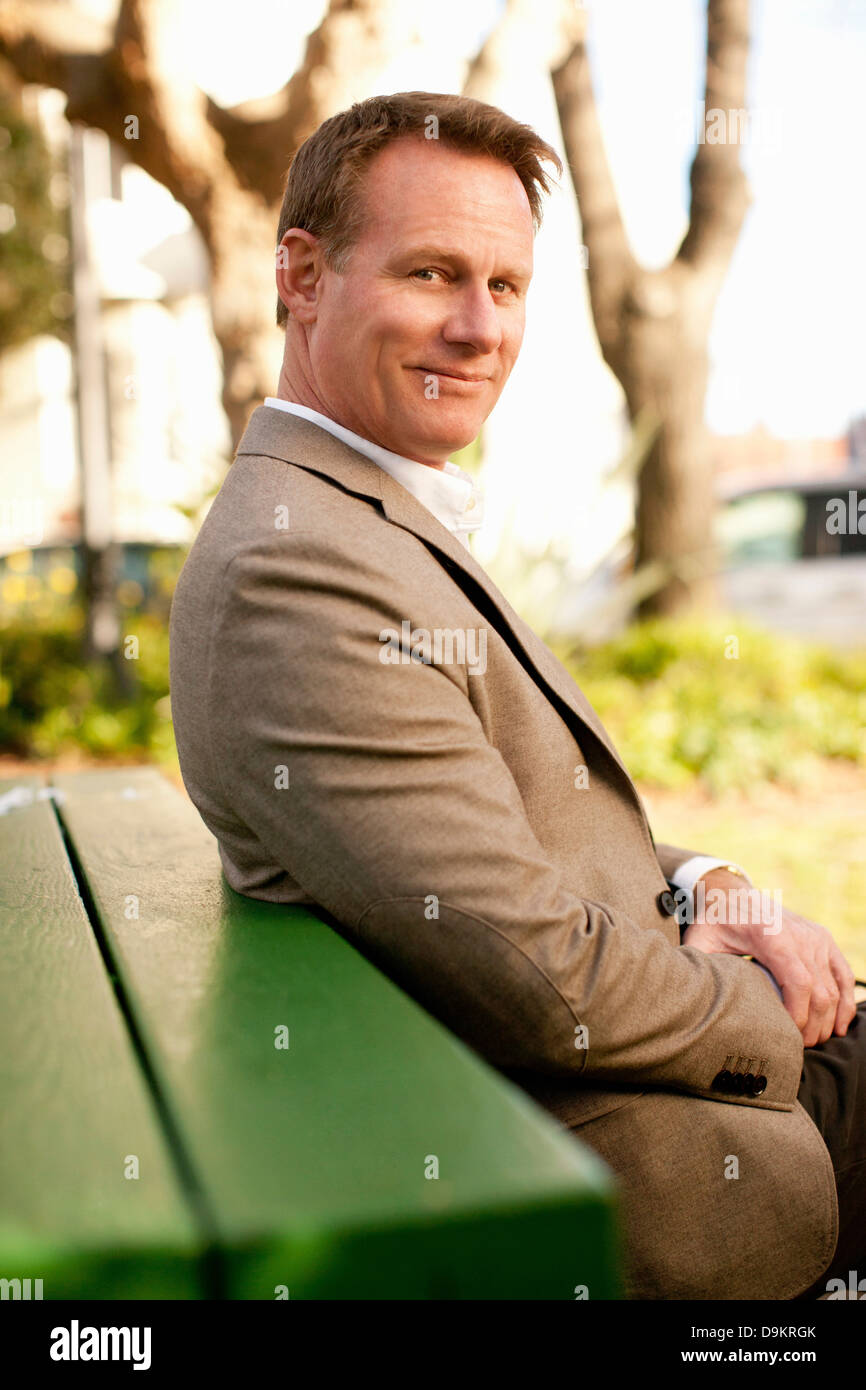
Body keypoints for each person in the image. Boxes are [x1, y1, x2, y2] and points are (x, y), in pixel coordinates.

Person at [168, 91, 865, 1300]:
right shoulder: (304, 566)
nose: (476, 329)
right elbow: (541, 978)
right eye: (432, 273)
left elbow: (510, 830)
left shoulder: (357, 514)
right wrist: (768, 1004)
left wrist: (708, 887)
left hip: (623, 1080)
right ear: (302, 275)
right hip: (643, 1148)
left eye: (505, 286)